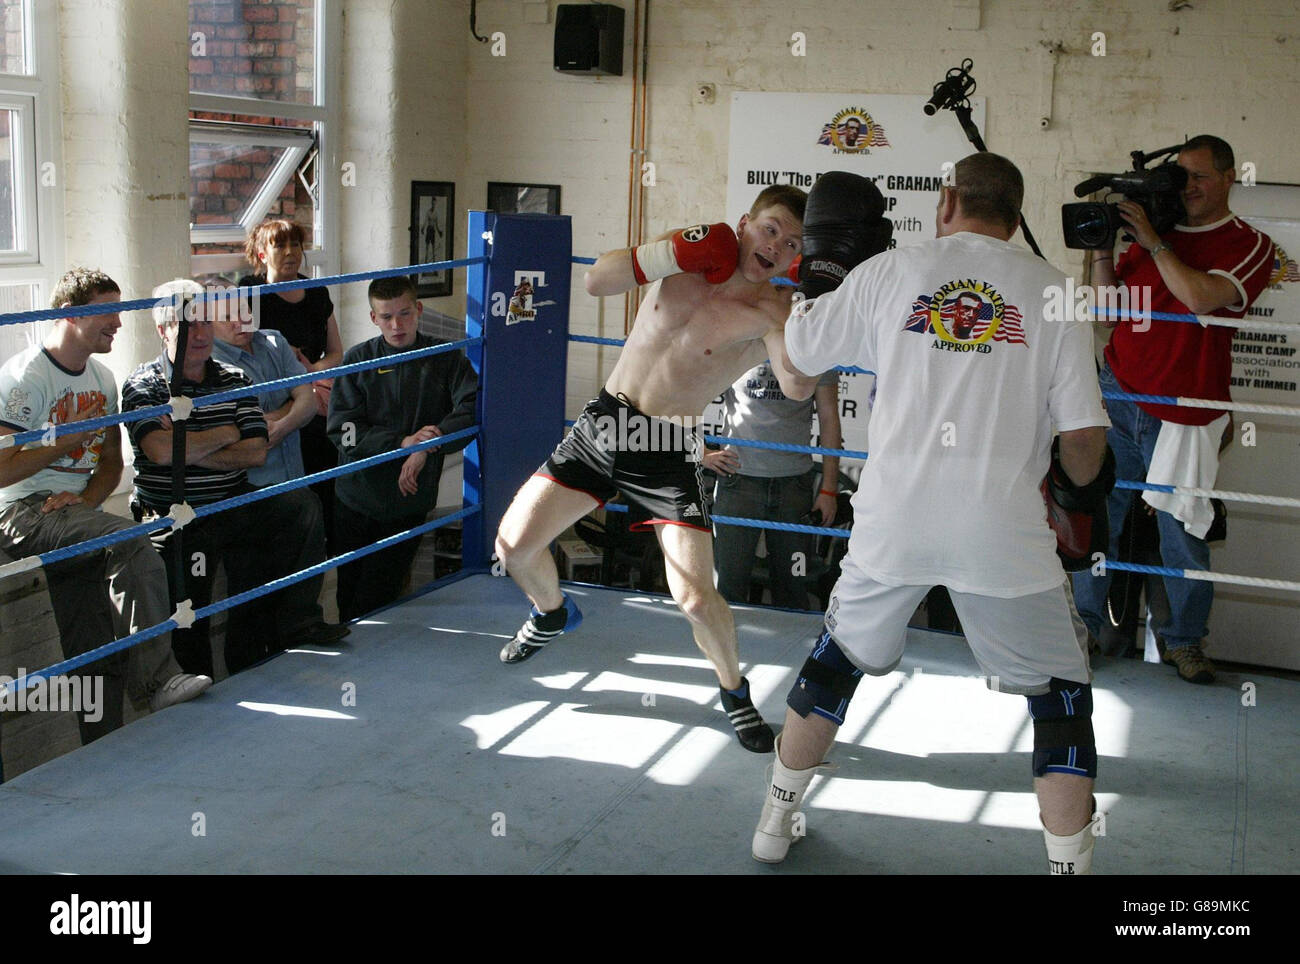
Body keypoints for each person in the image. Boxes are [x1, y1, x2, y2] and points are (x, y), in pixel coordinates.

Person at [751, 155, 1111, 874]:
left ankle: (772, 823)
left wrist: (819, 281)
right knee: (1062, 700)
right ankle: (1069, 864)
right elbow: (1082, 442)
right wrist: (1077, 498)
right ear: (1015, 214)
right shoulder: (1054, 292)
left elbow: (796, 363)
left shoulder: (891, 272)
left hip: (895, 519)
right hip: (1000, 528)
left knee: (835, 663)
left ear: (947, 201)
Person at [494, 184, 827, 754]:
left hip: (669, 443)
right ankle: (551, 613)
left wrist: (817, 325)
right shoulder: (687, 261)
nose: (776, 246)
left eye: (791, 242)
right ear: (745, 223)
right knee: (512, 548)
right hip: (606, 422)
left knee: (695, 597)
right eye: (771, 229)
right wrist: (669, 252)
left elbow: (796, 385)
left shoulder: (774, 308)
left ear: (796, 258)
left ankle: (734, 691)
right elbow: (598, 280)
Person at [1071, 135, 1274, 685]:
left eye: (1200, 177)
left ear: (1231, 177)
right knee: (1095, 518)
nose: (1188, 188)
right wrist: (1101, 247)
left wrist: (1157, 242)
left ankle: (1184, 641)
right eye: (1180, 176)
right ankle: (1081, 628)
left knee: (1180, 529)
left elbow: (1201, 297)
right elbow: (1106, 311)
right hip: (1118, 390)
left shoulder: (1248, 243)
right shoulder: (1150, 234)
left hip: (1184, 408)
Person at [0, 268, 210, 738]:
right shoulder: (23, 378)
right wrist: (62, 442)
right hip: (20, 511)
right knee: (134, 542)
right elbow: (0, 471)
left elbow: (112, 465)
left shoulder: (102, 377)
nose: (118, 322)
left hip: (70, 513)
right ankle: (158, 680)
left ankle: (105, 744)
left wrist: (84, 499)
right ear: (70, 315)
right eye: (107, 312)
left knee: (92, 640)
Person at [121, 279, 347, 679]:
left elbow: (256, 450)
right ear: (163, 330)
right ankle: (196, 693)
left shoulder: (232, 378)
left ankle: (295, 627)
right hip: (176, 513)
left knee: (301, 507)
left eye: (207, 322)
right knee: (190, 609)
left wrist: (189, 441)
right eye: (189, 324)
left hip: (231, 501)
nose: (202, 334)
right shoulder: (144, 384)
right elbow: (158, 452)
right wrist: (225, 435)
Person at [326, 276, 477, 622]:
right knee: (350, 594)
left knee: (380, 595)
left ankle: (379, 665)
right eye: (386, 317)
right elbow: (342, 430)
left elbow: (471, 409)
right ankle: (356, 669)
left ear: (419, 310)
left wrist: (427, 445)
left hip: (409, 498)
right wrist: (401, 444)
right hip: (357, 496)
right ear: (373, 318)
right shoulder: (357, 360)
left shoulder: (445, 358)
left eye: (405, 314)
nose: (397, 325)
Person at [211, 302, 320, 670]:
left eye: (244, 311)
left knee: (292, 577)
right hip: (247, 492)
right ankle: (247, 674)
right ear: (208, 325)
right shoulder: (210, 362)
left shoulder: (274, 340)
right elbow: (237, 429)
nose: (241, 321)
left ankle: (292, 650)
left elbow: (309, 397)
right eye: (227, 317)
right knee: (250, 588)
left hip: (291, 479)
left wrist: (278, 424)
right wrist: (287, 409)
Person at [705, 362, 841, 609]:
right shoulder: (740, 337)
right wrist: (701, 451)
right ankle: (722, 648)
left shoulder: (814, 345)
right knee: (727, 586)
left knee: (794, 582)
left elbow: (830, 417)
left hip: (795, 488)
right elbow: (688, 391)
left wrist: (829, 489)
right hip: (738, 482)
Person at [241, 219, 343, 549]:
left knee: (325, 454)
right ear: (261, 253)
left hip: (313, 393)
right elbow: (239, 353)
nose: (290, 253)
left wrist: (311, 370)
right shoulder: (248, 293)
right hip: (270, 401)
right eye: (280, 246)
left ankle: (321, 547)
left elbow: (336, 352)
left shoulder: (316, 292)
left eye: (296, 245)